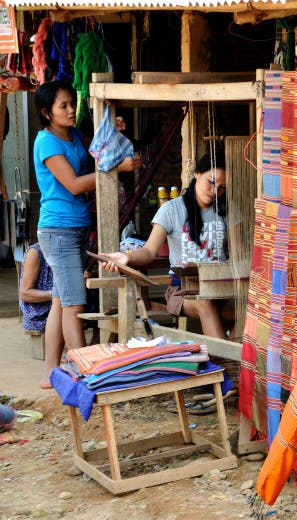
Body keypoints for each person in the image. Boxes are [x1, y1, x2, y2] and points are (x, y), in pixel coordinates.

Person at [34, 80, 142, 389]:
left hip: (75, 226)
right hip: (59, 230)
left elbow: (98, 149)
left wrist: (113, 130)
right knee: (74, 304)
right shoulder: (47, 142)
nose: (71, 110)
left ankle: (50, 372)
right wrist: (116, 168)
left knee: (61, 300)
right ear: (47, 113)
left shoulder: (74, 136)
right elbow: (73, 184)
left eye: (72, 103)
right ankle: (86, 375)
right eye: (63, 106)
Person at [100, 148, 231, 339]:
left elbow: (238, 250)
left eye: (222, 188)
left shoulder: (227, 211)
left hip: (222, 289)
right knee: (205, 304)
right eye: (211, 182)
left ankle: (234, 355)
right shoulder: (172, 210)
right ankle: (223, 357)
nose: (215, 191)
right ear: (197, 174)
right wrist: (127, 257)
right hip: (183, 291)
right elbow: (149, 251)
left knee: (253, 309)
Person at [19, 243, 54, 333]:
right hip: (39, 315)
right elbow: (25, 294)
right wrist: (55, 294)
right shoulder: (35, 252)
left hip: (59, 308)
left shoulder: (69, 250)